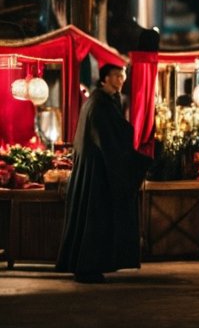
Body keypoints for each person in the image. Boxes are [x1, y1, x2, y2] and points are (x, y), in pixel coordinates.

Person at [56, 63, 152, 283]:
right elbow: (109, 138)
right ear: (104, 79)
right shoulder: (99, 104)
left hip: (96, 169)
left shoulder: (104, 102)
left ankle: (89, 265)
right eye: (117, 76)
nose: (121, 80)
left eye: (123, 76)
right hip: (96, 172)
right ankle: (87, 266)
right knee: (93, 218)